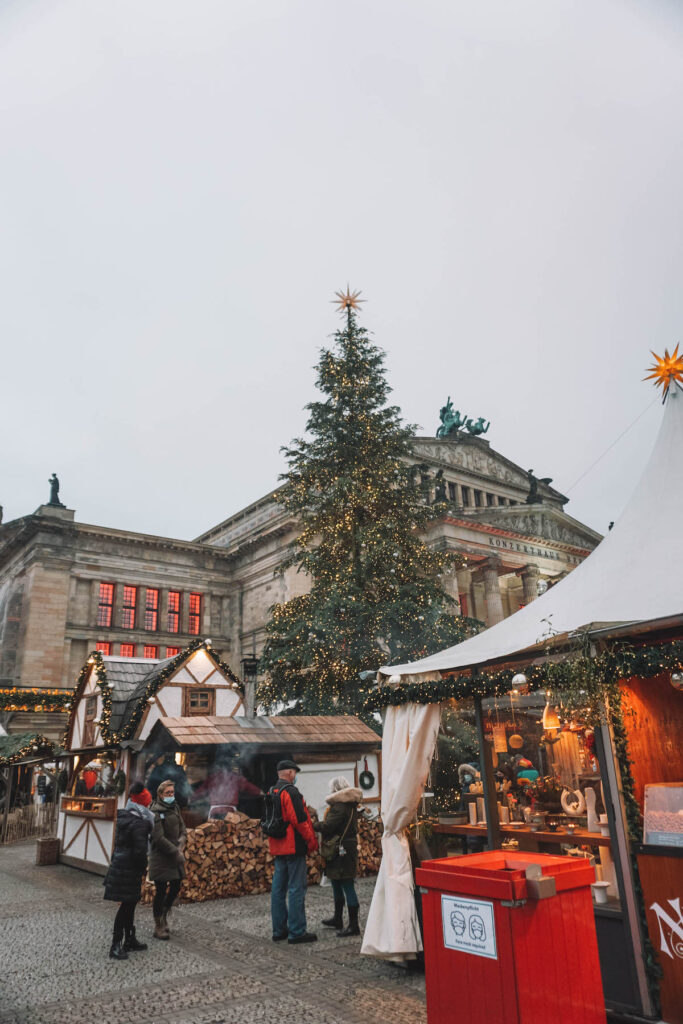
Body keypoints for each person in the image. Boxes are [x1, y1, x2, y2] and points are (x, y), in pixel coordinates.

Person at [267, 759, 318, 945]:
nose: (295, 776)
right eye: (295, 773)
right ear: (290, 773)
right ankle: (297, 931)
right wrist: (311, 840)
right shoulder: (291, 792)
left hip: (277, 846)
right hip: (293, 846)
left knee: (278, 890)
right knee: (297, 888)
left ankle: (279, 930)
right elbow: (300, 820)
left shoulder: (272, 791)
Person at [102, 782, 154, 960]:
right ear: (144, 802)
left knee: (130, 904)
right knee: (126, 907)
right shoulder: (140, 823)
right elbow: (140, 851)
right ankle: (116, 944)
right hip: (129, 868)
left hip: (121, 865)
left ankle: (129, 939)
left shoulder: (126, 816)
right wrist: (143, 868)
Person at [313, 776, 362, 937]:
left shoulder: (339, 806)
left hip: (341, 850)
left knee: (346, 884)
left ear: (335, 789)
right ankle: (338, 918)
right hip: (344, 848)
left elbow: (328, 826)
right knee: (336, 882)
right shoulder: (350, 805)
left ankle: (353, 926)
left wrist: (313, 825)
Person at [149, 780, 187, 940]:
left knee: (176, 886)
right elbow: (158, 838)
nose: (171, 795)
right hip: (161, 857)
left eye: (172, 792)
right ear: (160, 794)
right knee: (161, 890)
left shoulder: (175, 807)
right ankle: (158, 925)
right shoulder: (155, 812)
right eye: (168, 793)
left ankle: (164, 914)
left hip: (175, 855)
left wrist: (182, 841)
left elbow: (183, 828)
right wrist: (176, 852)